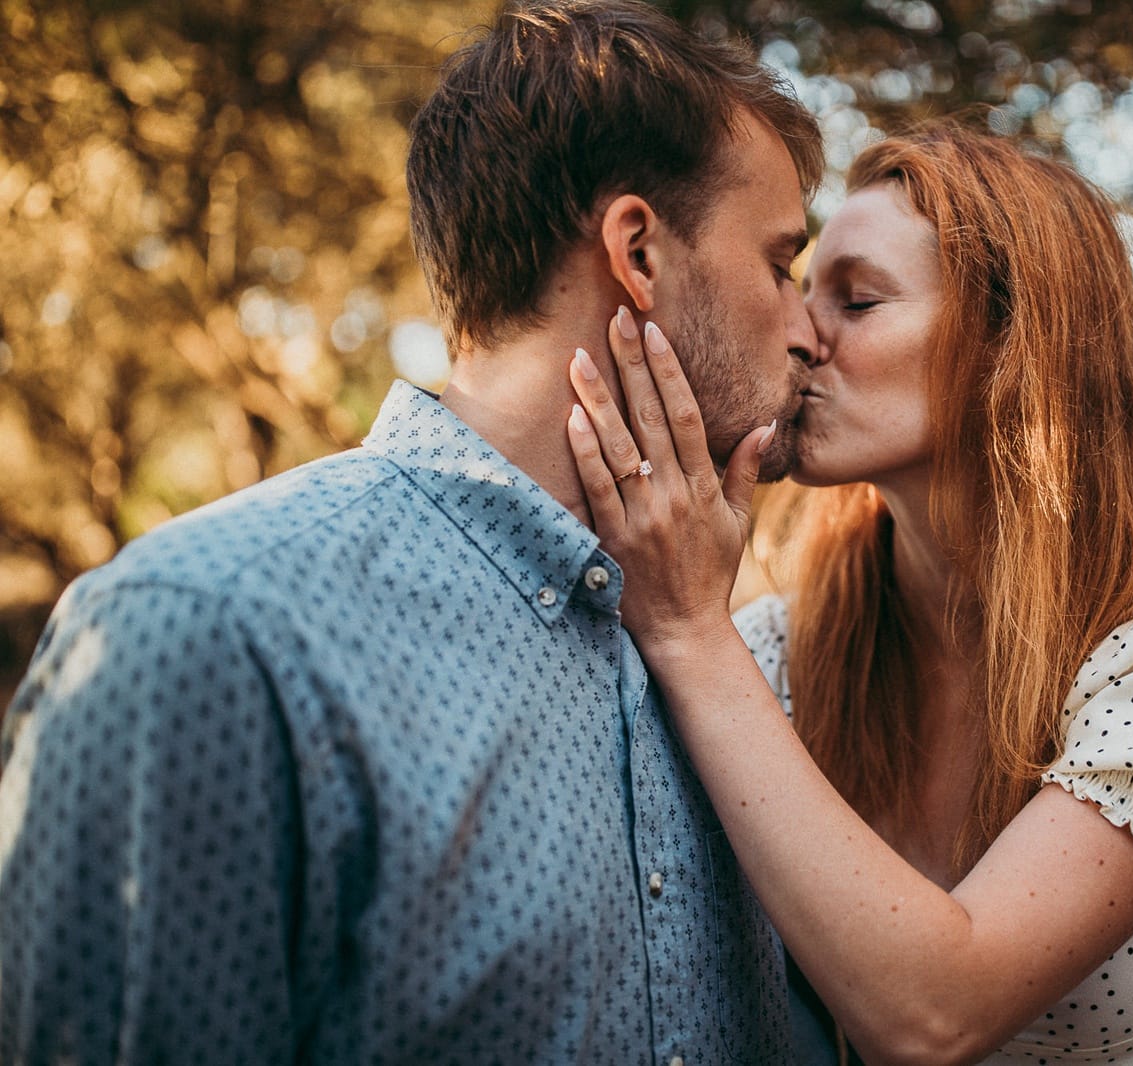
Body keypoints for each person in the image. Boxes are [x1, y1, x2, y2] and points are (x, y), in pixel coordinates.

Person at [0, 2, 823, 1062]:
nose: (806, 330)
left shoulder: (722, 647)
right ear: (639, 253)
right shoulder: (204, 638)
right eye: (780, 264)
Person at [562, 122, 1133, 1064]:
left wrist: (690, 629)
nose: (801, 335)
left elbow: (939, 1015)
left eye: (856, 299)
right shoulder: (779, 655)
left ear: (1014, 343)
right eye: (802, 289)